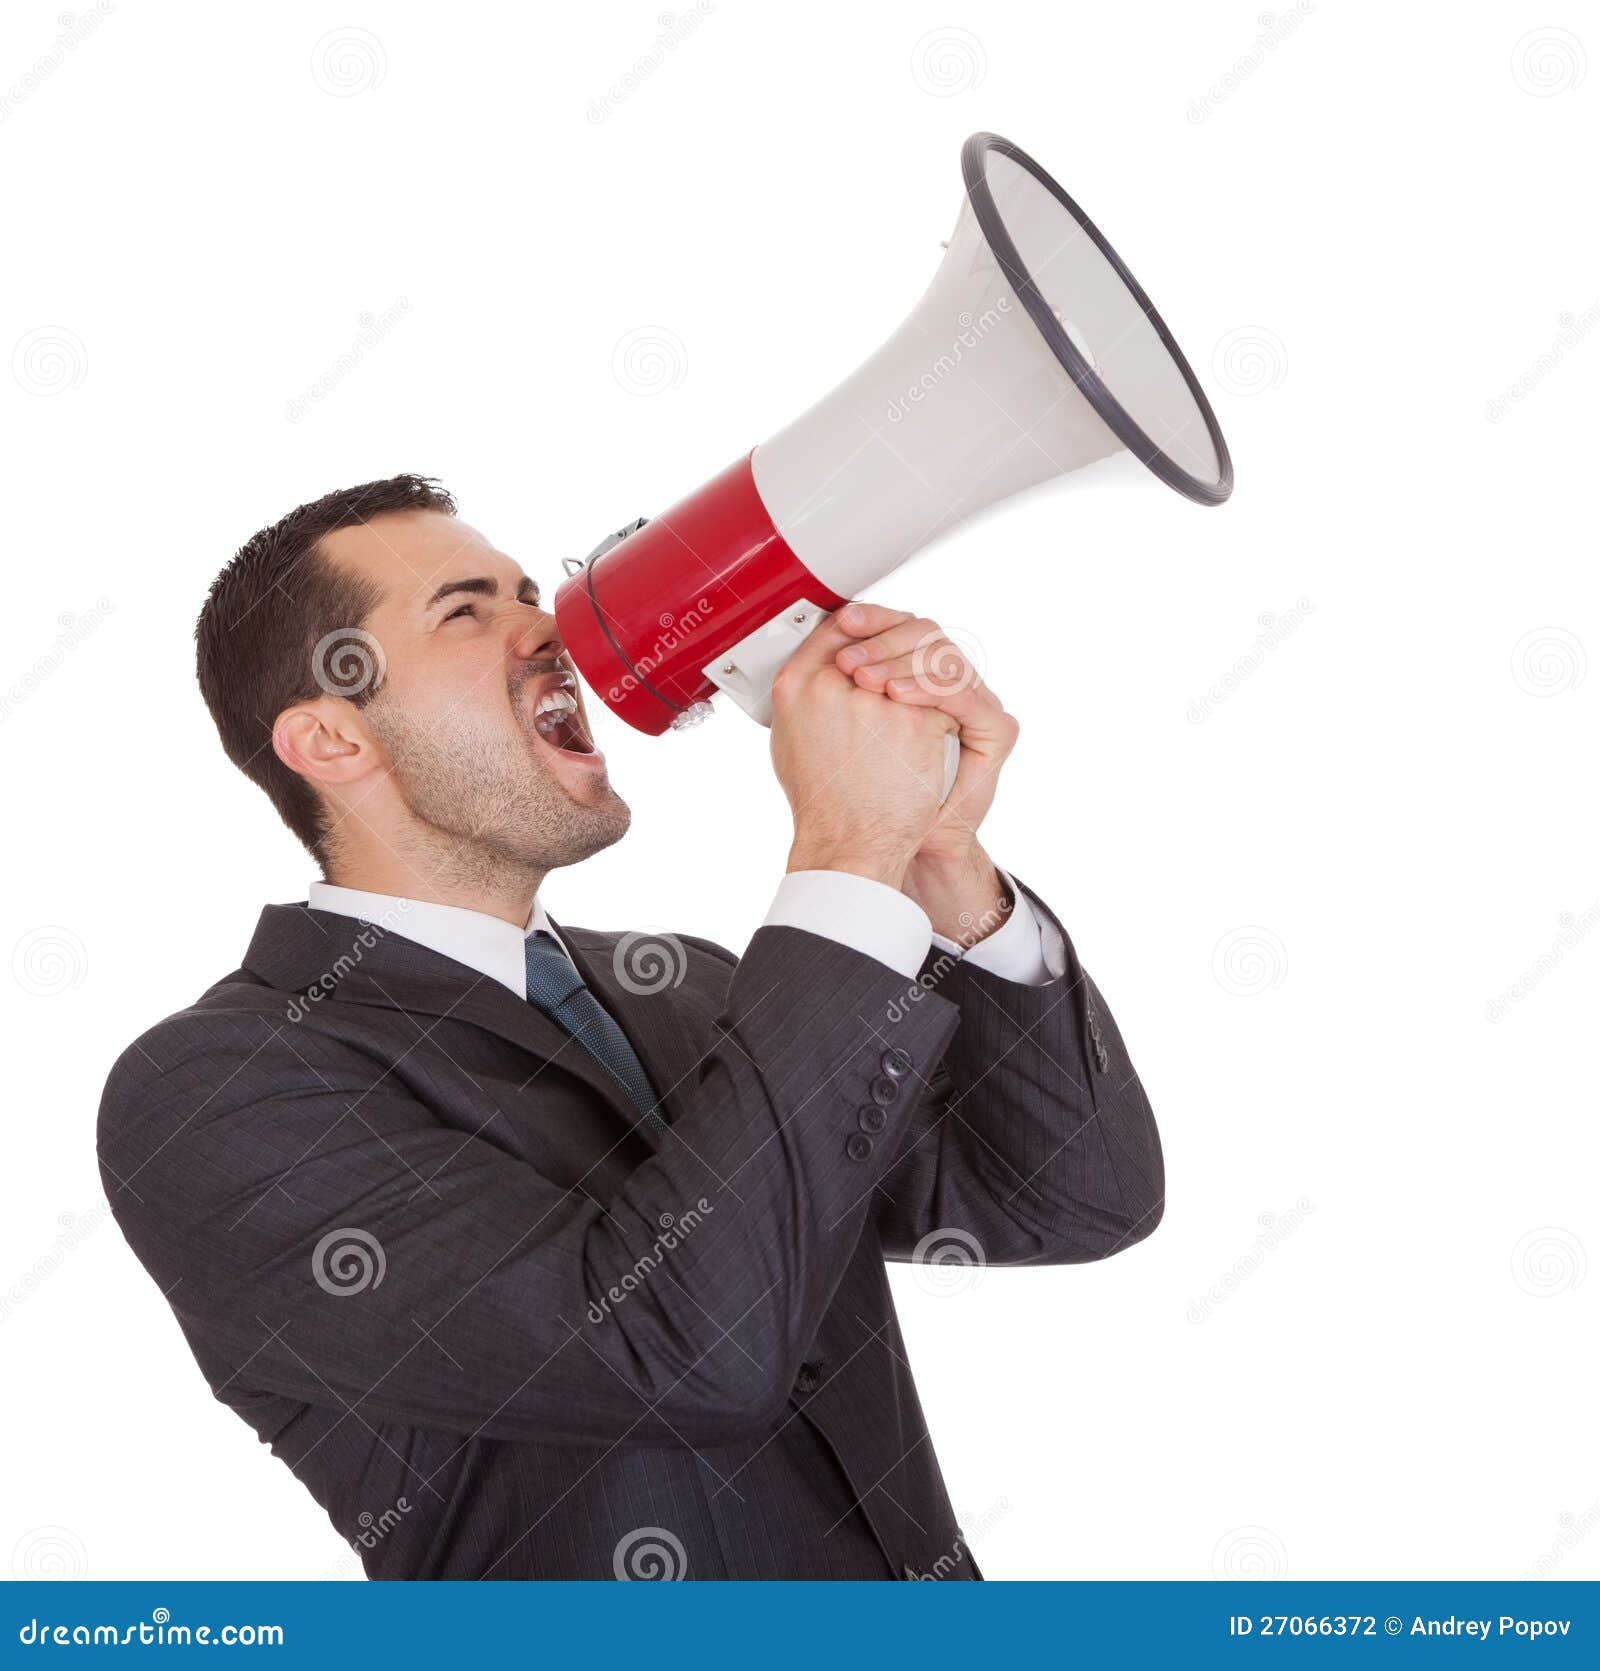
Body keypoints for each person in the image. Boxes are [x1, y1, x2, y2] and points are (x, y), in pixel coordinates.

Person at [97, 474, 1164, 1580]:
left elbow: (1073, 1198)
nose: (550, 630)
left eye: (528, 592)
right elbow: (677, 1351)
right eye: (467, 611)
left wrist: (936, 859)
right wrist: (846, 855)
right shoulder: (218, 1088)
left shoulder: (691, 990)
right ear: (330, 740)